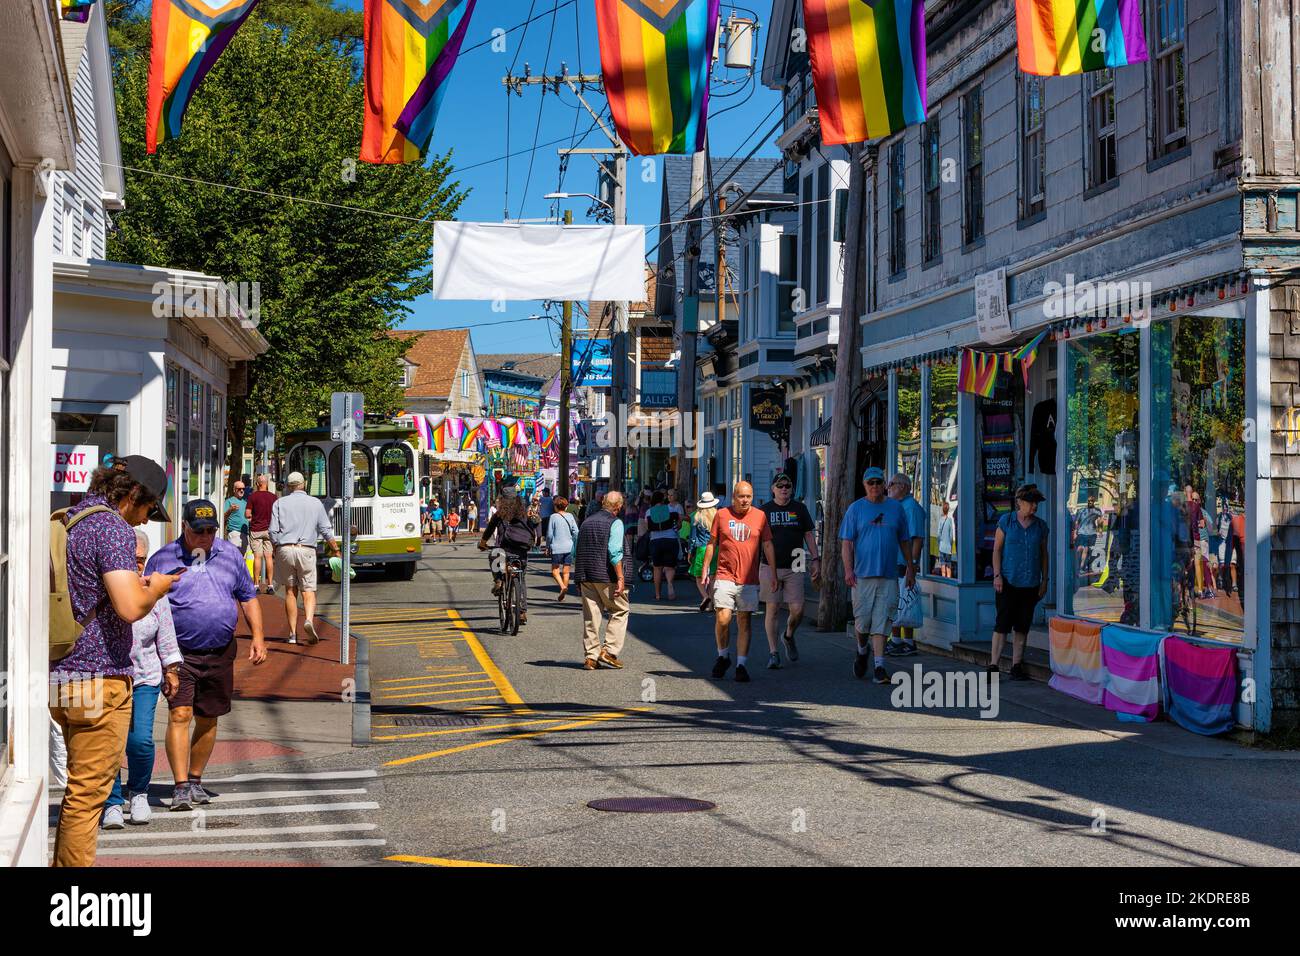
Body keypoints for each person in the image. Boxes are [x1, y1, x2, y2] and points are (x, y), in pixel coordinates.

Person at [50, 456, 180, 866]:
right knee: (88, 798)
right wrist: (155, 588)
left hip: (61, 672)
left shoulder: (69, 519)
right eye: (147, 510)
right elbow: (129, 607)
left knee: (77, 792)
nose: (144, 522)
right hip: (98, 679)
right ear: (133, 497)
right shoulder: (111, 527)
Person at [144, 498, 268, 812]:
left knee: (208, 718)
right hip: (179, 653)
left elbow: (248, 598)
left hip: (220, 651)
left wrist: (258, 637)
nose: (205, 537)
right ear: (183, 526)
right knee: (180, 714)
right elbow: (148, 606)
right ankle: (181, 785)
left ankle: (196, 779)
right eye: (199, 530)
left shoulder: (230, 555)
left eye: (211, 530)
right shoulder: (163, 559)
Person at [101, 529, 183, 829]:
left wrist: (171, 669)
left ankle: (138, 792)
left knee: (140, 742)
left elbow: (166, 633)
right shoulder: (105, 586)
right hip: (109, 674)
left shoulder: (153, 590)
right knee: (109, 742)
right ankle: (111, 802)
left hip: (145, 677)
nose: (135, 566)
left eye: (140, 560)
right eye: (129, 559)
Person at [839, 467, 915, 685]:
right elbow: (846, 543)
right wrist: (848, 569)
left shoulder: (895, 508)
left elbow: (904, 540)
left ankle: (879, 666)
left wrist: (910, 567)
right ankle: (862, 650)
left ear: (884, 484)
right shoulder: (856, 509)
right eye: (870, 483)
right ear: (864, 485)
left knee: (883, 621)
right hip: (862, 575)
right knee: (863, 623)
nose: (874, 486)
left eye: (878, 482)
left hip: (889, 575)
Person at [700, 481, 778, 683]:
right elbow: (712, 544)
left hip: (748, 579)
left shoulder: (760, 516)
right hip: (725, 575)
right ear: (733, 497)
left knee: (744, 621)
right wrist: (705, 568)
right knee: (723, 618)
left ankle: (741, 665)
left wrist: (773, 573)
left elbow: (768, 545)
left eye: (749, 496)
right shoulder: (722, 515)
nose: (745, 500)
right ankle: (723, 656)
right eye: (741, 496)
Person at [269, 471, 341, 645]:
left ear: (288, 486)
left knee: (290, 591)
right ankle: (308, 620)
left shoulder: (279, 503)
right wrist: (335, 549)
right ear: (304, 484)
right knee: (308, 590)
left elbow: (272, 531)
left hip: (285, 549)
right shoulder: (315, 503)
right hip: (306, 549)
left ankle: (293, 634)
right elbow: (325, 529)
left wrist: (278, 546)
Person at [989, 484, 1050, 680]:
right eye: (1031, 503)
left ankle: (1016, 665)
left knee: (1023, 625)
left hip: (1030, 582)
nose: (1034, 507)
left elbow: (1044, 555)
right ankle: (993, 665)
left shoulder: (1040, 526)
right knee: (1002, 624)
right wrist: (997, 575)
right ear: (1020, 502)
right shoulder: (1006, 521)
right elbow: (997, 549)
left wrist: (1044, 580)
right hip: (1008, 581)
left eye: (1036, 504)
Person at [759, 474, 819, 668]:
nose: (784, 488)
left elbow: (808, 534)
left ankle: (789, 635)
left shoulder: (799, 508)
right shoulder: (764, 511)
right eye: (780, 485)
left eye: (788, 485)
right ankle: (773, 652)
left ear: (792, 489)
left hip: (797, 561)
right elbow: (757, 540)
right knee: (773, 608)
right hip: (770, 565)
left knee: (798, 609)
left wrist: (816, 559)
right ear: (773, 489)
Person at [574, 491, 629, 669]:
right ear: (618, 507)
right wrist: (620, 577)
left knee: (591, 616)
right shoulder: (616, 522)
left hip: (586, 574)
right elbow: (614, 552)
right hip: (607, 575)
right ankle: (609, 651)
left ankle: (591, 657)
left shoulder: (586, 521)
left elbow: (576, 550)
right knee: (620, 610)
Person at [479, 487, 538, 625]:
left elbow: (489, 530)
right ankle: (522, 611)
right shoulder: (524, 512)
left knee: (493, 556)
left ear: (502, 499)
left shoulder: (500, 513)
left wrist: (482, 543)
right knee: (521, 578)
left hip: (503, 549)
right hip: (521, 550)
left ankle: (498, 580)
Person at [886, 473, 926, 657]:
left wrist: (913, 565)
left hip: (904, 563)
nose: (888, 487)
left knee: (899, 602)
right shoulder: (899, 507)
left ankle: (902, 642)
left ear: (902, 486)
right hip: (896, 562)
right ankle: (902, 641)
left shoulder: (911, 508)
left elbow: (917, 539)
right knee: (900, 602)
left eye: (891, 484)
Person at [640, 489, 681, 601]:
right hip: (670, 540)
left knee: (657, 568)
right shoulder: (671, 509)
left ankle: (658, 594)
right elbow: (679, 523)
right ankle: (670, 584)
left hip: (655, 541)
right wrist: (677, 528)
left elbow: (648, 527)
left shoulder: (649, 512)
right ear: (663, 499)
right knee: (670, 566)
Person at [246, 474, 278, 594]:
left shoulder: (252, 497)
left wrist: (252, 516)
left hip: (256, 530)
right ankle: (270, 585)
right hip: (270, 530)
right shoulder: (274, 497)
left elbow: (247, 514)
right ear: (267, 483)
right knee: (269, 557)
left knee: (257, 557)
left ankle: (256, 585)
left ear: (258, 484)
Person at [689, 492, 720, 611]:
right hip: (715, 548)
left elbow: (693, 538)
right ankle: (712, 604)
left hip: (702, 549)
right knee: (712, 577)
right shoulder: (717, 516)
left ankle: (706, 596)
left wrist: (690, 552)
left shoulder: (696, 517)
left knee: (698, 577)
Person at [547, 495, 580, 601]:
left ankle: (563, 587)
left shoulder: (553, 517)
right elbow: (576, 532)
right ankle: (563, 593)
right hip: (569, 547)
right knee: (566, 571)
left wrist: (548, 546)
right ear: (566, 506)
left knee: (555, 570)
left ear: (555, 507)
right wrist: (573, 541)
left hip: (557, 547)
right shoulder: (570, 516)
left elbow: (549, 535)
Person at [1073, 495, 1101, 577]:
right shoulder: (1081, 510)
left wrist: (1100, 530)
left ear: (1094, 501)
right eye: (1089, 500)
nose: (1090, 502)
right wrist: (1075, 531)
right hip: (1082, 533)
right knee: (1083, 549)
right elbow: (1076, 522)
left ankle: (1082, 567)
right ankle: (1080, 568)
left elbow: (1100, 521)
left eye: (1091, 500)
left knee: (1088, 551)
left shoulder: (1097, 511)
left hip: (1092, 533)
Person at [223, 480, 249, 555]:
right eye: (239, 489)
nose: (241, 490)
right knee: (234, 557)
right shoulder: (229, 501)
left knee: (245, 560)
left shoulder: (246, 502)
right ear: (234, 490)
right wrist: (230, 510)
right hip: (234, 533)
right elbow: (223, 518)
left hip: (245, 534)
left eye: (243, 489)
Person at [936, 499, 955, 578]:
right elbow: (951, 535)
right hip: (948, 547)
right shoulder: (950, 520)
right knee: (949, 565)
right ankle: (949, 579)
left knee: (943, 565)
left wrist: (939, 543)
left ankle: (944, 579)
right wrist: (950, 544)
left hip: (941, 547)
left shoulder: (940, 520)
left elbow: (938, 534)